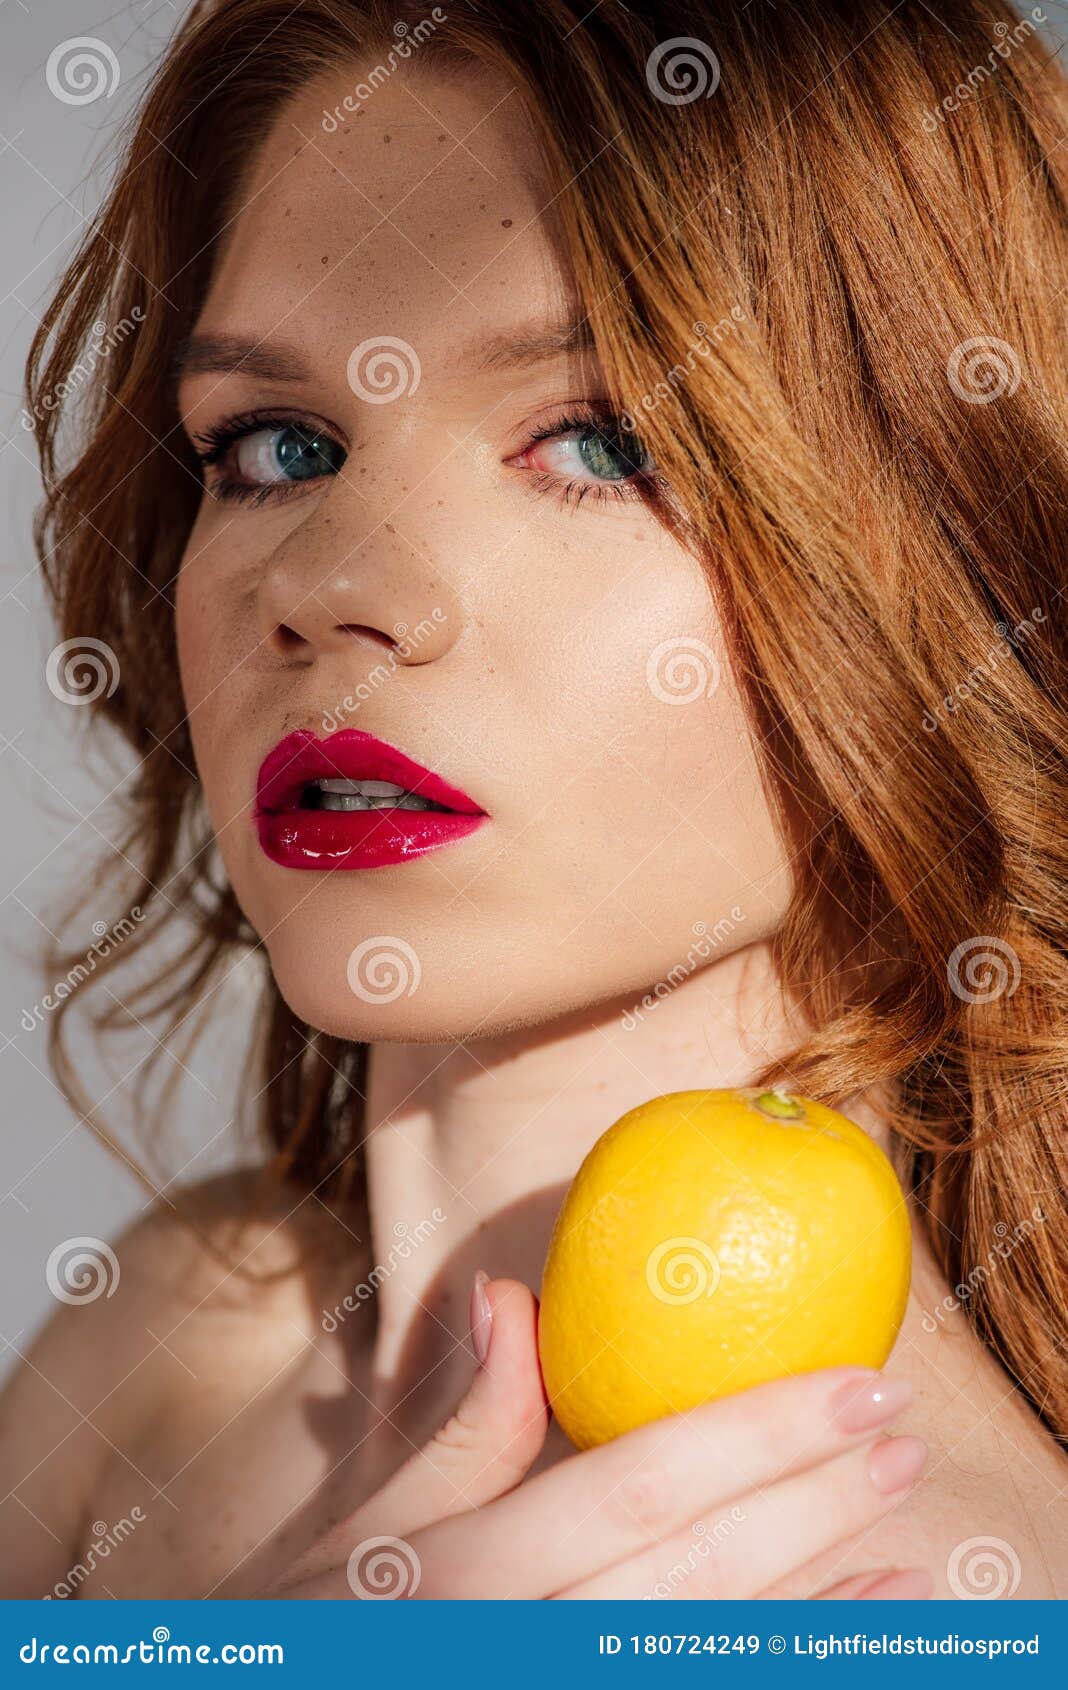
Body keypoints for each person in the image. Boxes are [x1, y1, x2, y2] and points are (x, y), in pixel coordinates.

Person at [2, 0, 1066, 1599]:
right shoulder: (169, 1329)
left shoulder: (928, 1602)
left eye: (596, 438)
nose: (331, 588)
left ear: (952, 567)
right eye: (278, 445)